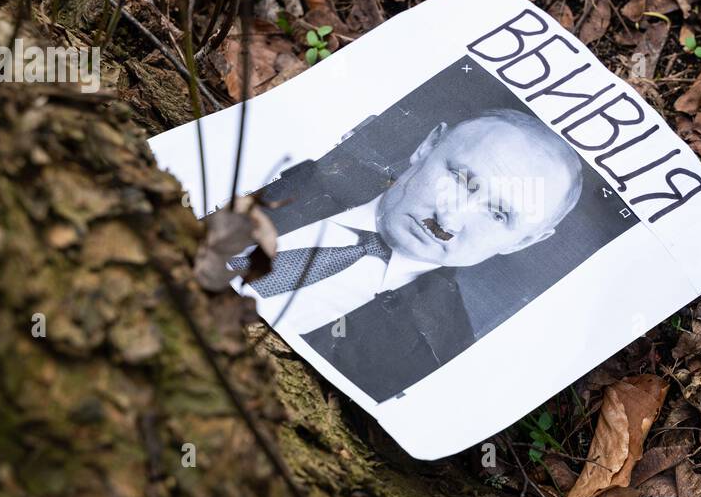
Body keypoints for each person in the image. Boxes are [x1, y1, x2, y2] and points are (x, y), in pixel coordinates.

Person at [228, 107, 584, 400]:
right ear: (429, 145)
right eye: (460, 178)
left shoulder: (440, 361)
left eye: (497, 214)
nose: (449, 217)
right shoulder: (294, 166)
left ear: (523, 242)